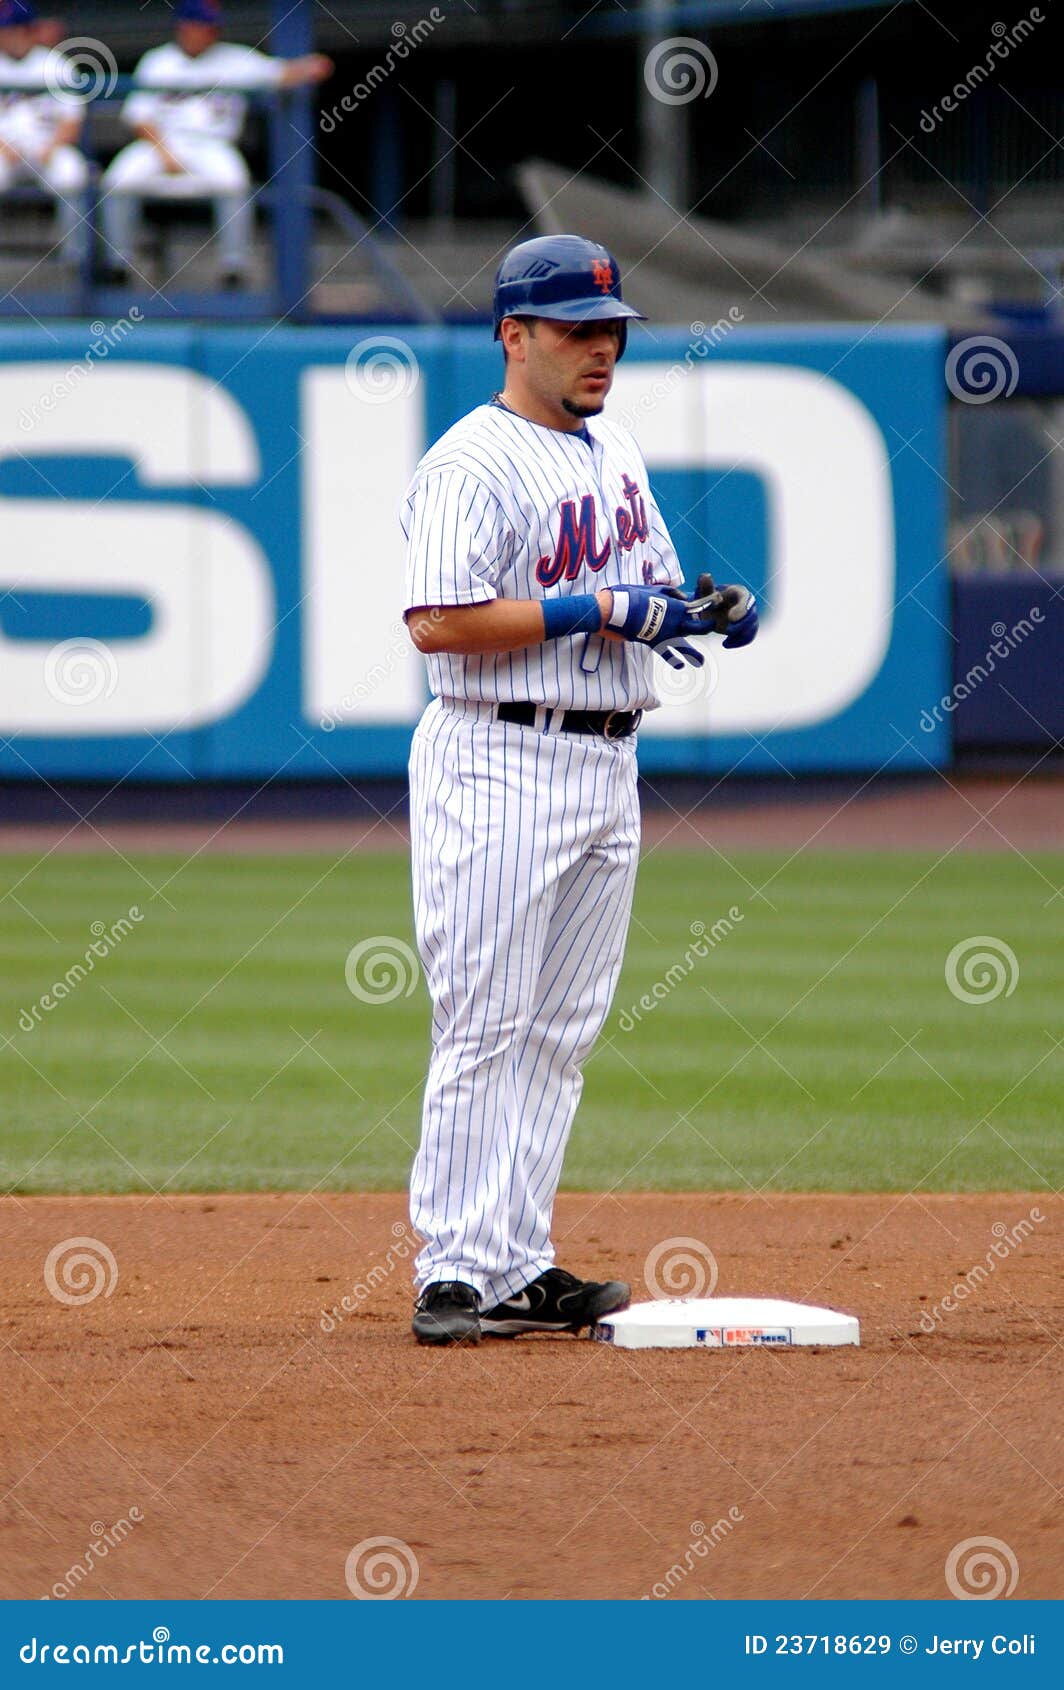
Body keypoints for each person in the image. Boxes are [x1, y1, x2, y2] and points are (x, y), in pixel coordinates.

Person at [401, 234, 759, 1345]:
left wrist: (701, 607)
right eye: (572, 329)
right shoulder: (470, 463)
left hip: (607, 757)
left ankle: (515, 1259)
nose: (599, 347)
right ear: (513, 336)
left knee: (558, 1030)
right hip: (496, 754)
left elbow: (638, 586)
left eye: (609, 328)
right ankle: (452, 1272)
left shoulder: (614, 454)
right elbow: (439, 622)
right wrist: (595, 611)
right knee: (484, 1020)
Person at [99, 0, 331, 288]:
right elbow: (138, 117)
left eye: (211, 27)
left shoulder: (235, 59)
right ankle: (118, 264)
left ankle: (234, 267)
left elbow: (281, 73)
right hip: (161, 143)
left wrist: (310, 66)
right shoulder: (158, 61)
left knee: (233, 182)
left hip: (212, 146)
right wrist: (164, 152)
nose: (206, 32)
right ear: (184, 27)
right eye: (199, 26)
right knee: (117, 180)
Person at [0, 0, 88, 269]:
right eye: (6, 30)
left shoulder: (56, 64)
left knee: (73, 175)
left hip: (49, 147)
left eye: (18, 29)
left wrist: (52, 146)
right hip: (4, 151)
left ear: (31, 31)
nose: (12, 36)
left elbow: (73, 121)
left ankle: (77, 261)